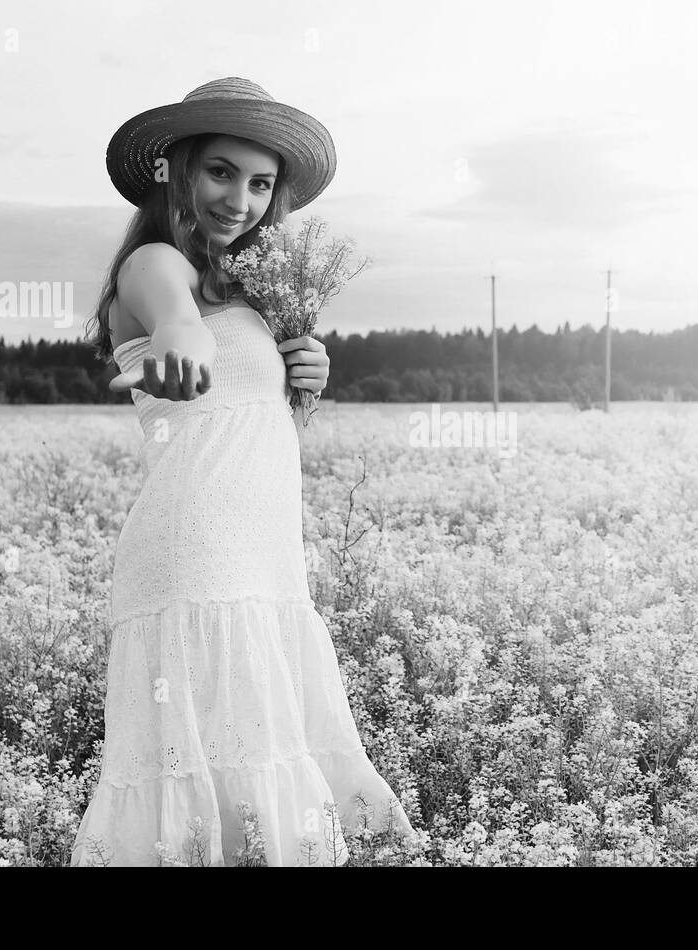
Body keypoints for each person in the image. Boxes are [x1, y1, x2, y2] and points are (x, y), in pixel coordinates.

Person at [71, 77, 416, 866]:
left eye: (261, 183)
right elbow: (172, 310)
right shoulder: (156, 265)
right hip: (194, 555)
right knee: (207, 779)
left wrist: (306, 377)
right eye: (221, 172)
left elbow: (262, 427)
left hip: (263, 559)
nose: (241, 199)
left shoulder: (259, 295)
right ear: (178, 170)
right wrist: (182, 332)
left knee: (256, 767)